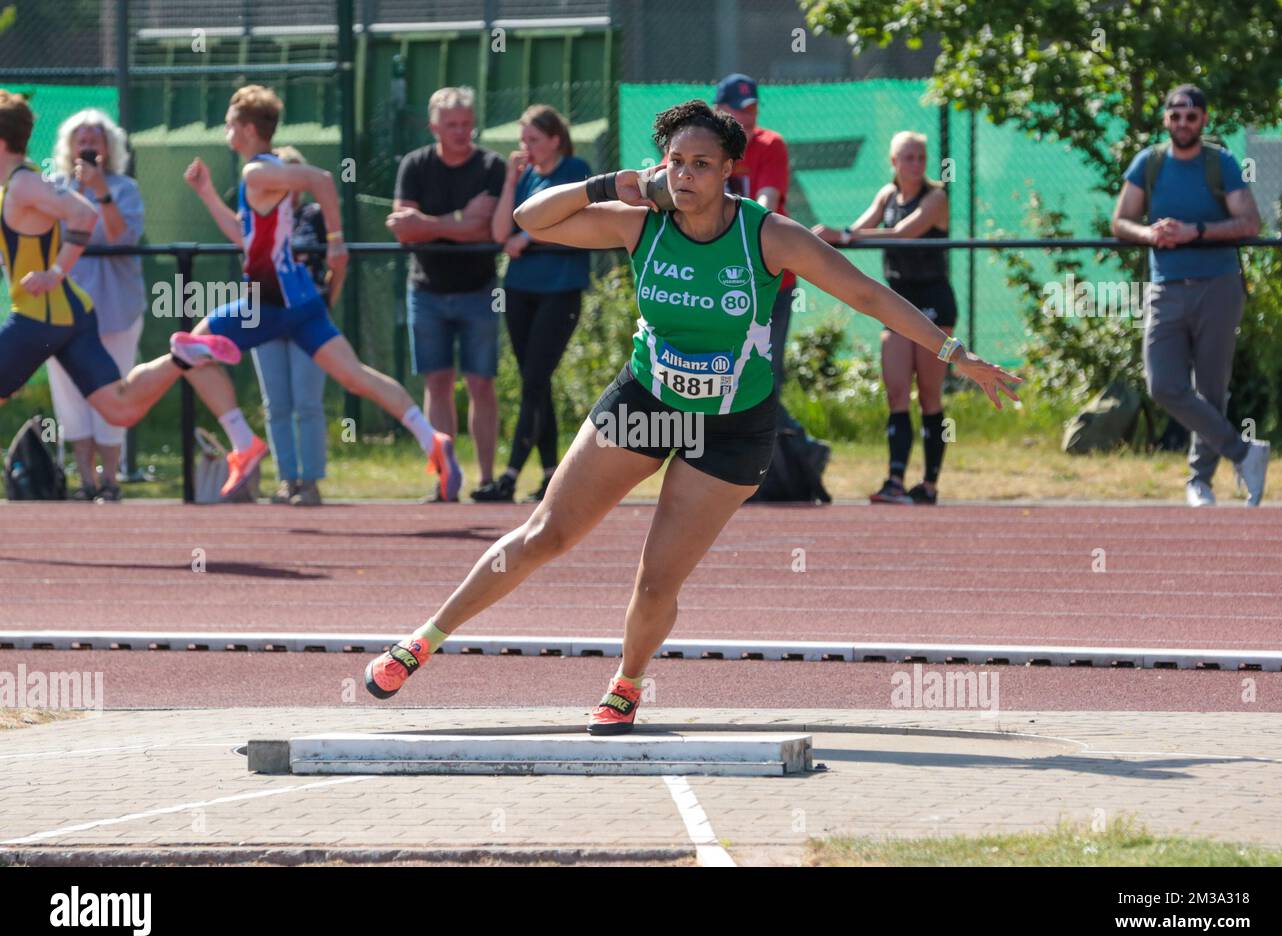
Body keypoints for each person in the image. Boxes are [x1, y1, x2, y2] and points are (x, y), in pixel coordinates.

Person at [362, 100, 1020, 734]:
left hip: (731, 427)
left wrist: (955, 353)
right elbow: (534, 220)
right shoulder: (636, 219)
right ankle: (421, 642)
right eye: (675, 161)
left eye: (703, 163)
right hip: (647, 403)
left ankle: (626, 684)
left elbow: (866, 293)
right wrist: (610, 184)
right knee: (546, 534)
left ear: (729, 169)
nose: (686, 175)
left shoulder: (766, 234)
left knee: (655, 581)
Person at [182, 84, 461, 500]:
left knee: (189, 348)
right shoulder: (262, 176)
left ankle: (244, 444)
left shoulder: (256, 171)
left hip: (271, 298)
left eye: (228, 125)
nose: (226, 133)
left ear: (246, 128)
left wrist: (335, 240)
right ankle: (431, 438)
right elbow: (244, 237)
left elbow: (322, 179)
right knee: (357, 377)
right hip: (300, 300)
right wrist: (204, 192)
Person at [0, 91, 238, 439]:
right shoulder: (20, 182)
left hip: (41, 317)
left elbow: (84, 214)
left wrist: (55, 273)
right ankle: (181, 356)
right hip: (68, 314)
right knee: (120, 407)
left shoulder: (24, 184)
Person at [1112, 84, 1268, 507]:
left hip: (1219, 286)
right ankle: (1244, 453)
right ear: (1165, 119)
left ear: (1203, 119)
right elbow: (1121, 222)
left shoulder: (1222, 163)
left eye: (1191, 116)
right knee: (1163, 384)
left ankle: (1200, 481)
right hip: (1166, 287)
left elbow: (1249, 221)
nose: (1183, 123)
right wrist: (1150, 234)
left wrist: (1194, 232)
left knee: (1212, 388)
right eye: (1175, 115)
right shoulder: (1149, 163)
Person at [811, 130, 957, 505]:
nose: (916, 164)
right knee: (896, 390)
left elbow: (904, 234)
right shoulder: (887, 195)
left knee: (929, 395)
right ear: (894, 162)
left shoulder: (937, 197)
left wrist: (843, 235)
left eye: (921, 157)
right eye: (907, 157)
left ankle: (929, 484)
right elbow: (860, 230)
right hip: (896, 299)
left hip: (932, 301)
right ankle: (894, 479)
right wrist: (831, 236)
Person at [389, 86, 506, 502]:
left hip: (479, 290)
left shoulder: (493, 165)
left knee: (481, 384)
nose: (461, 131)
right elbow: (404, 230)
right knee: (437, 383)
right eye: (451, 124)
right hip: (426, 290)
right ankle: (445, 480)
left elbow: (487, 228)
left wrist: (429, 223)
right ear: (433, 126)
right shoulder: (414, 165)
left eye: (466, 123)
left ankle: (488, 480)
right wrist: (458, 220)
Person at [476, 105, 591, 503]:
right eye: (523, 140)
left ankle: (509, 474)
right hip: (520, 288)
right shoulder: (524, 175)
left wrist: (529, 239)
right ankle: (549, 473)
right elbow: (499, 230)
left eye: (534, 140)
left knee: (535, 380)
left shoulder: (575, 170)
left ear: (555, 140)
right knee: (535, 385)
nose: (526, 147)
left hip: (559, 289)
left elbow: (581, 227)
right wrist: (510, 180)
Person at [43, 109, 147, 502]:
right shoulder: (52, 188)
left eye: (95, 137)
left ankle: (110, 480)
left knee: (114, 389)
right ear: (68, 146)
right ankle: (85, 481)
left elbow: (122, 237)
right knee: (70, 396)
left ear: (109, 146)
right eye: (80, 137)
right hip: (63, 309)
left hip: (116, 308)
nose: (87, 142)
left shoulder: (125, 188)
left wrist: (100, 190)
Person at [250, 144, 335, 507]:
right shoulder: (260, 214)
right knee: (276, 404)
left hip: (306, 311)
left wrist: (327, 299)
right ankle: (286, 479)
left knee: (308, 402)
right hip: (267, 311)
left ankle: (311, 481)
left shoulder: (314, 215)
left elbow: (335, 261)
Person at [710, 74, 798, 395]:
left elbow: (765, 206)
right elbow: (668, 183)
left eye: (751, 109)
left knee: (763, 373)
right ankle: (801, 447)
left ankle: (784, 445)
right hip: (715, 276)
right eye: (737, 110)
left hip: (768, 278)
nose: (746, 117)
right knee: (721, 371)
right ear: (716, 109)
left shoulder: (769, 144)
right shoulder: (701, 145)